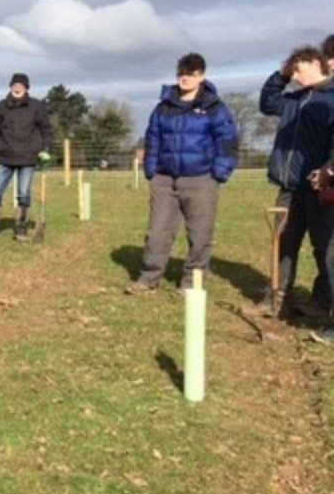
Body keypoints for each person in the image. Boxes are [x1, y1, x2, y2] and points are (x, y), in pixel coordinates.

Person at [126, 53, 238, 295]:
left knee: (200, 234)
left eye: (192, 73)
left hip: (201, 179)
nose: (185, 78)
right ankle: (148, 279)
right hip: (165, 180)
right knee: (157, 231)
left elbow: (227, 141)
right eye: (182, 73)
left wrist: (219, 172)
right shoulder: (163, 107)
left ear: (202, 76)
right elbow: (152, 138)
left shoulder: (214, 108)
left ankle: (191, 282)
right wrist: (151, 171)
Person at [256, 46, 334, 317]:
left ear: (315, 63)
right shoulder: (293, 100)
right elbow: (267, 103)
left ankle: (323, 300)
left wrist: (326, 173)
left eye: (297, 69)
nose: (295, 75)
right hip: (288, 187)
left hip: (319, 189)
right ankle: (276, 296)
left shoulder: (331, 99)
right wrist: (281, 75)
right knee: (283, 242)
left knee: (324, 247)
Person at [0, 73, 54, 241]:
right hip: (4, 157)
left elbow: (46, 130)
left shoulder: (36, 106)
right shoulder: (0, 107)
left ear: (26, 88)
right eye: (15, 85)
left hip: (28, 157)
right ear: (10, 87)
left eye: (21, 85)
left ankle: (21, 227)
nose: (17, 87)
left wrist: (46, 150)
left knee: (23, 194)